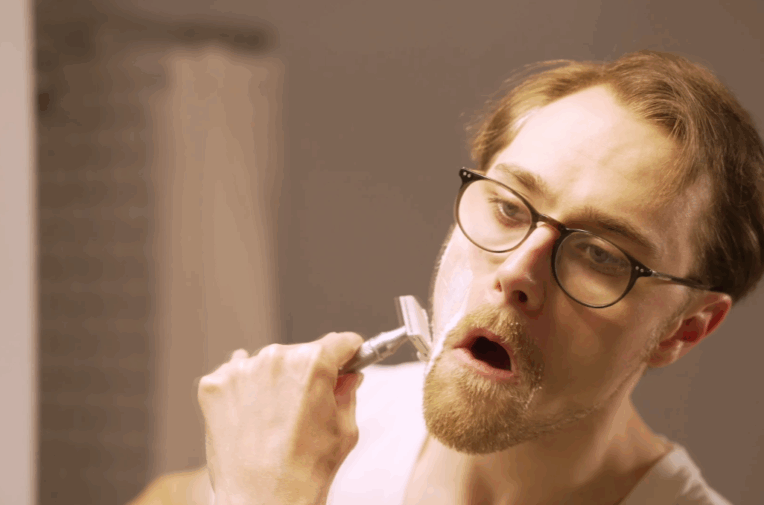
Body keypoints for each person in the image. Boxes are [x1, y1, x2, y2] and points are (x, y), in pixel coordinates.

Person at [130, 50, 764, 505]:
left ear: (685, 329)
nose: (516, 271)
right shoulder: (339, 426)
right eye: (510, 207)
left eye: (600, 254)